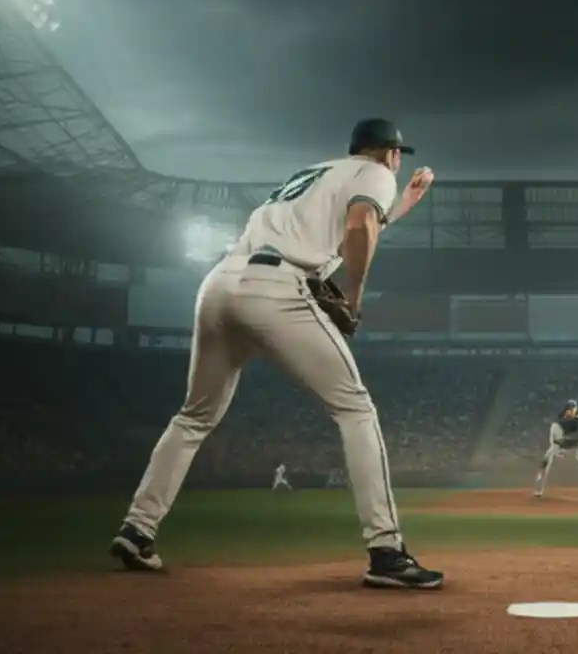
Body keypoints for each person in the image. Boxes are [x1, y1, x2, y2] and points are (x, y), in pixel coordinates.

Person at [109, 118, 445, 590]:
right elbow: (360, 222)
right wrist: (354, 297)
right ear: (390, 154)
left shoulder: (313, 174)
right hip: (276, 289)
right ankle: (386, 551)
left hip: (220, 285)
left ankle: (137, 529)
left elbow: (359, 220)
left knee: (193, 418)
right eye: (396, 156)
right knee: (356, 409)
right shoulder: (376, 174)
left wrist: (404, 202)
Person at [532, 399, 578, 502]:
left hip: (576, 448)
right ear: (565, 410)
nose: (571, 411)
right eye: (569, 409)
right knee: (545, 464)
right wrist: (557, 451)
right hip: (558, 447)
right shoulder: (558, 423)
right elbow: (555, 442)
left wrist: (571, 436)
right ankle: (539, 490)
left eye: (573, 409)